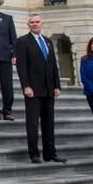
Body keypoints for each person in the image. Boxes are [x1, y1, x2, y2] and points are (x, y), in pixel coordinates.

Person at [15, 14, 66, 164]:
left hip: (49, 88)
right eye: (32, 22)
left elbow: (53, 66)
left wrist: (57, 85)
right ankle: (34, 154)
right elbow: (21, 67)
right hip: (33, 89)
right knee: (32, 124)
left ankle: (50, 153)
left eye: (37, 22)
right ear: (28, 24)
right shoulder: (23, 41)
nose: (35, 24)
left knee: (49, 123)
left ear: (41, 23)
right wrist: (26, 86)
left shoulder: (48, 41)